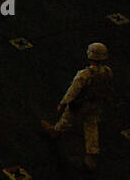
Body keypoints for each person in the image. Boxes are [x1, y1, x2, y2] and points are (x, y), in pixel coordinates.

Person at [41, 43, 113, 171]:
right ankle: (92, 154)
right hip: (96, 104)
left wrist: (62, 103)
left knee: (67, 119)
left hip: (80, 104)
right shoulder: (107, 72)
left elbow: (73, 91)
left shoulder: (84, 74)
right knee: (91, 126)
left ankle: (55, 131)